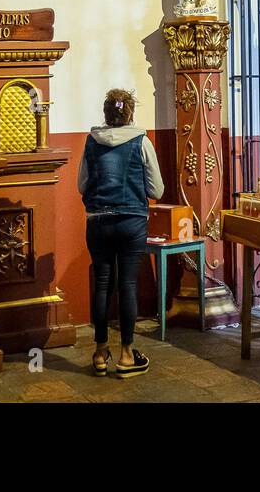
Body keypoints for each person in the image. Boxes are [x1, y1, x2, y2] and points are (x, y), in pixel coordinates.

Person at [77, 88, 164, 378]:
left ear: (106, 113)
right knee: (127, 285)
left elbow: (81, 185)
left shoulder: (91, 142)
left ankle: (101, 352)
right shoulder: (142, 142)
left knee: (102, 284)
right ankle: (127, 355)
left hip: (99, 221)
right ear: (130, 112)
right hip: (131, 221)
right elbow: (157, 190)